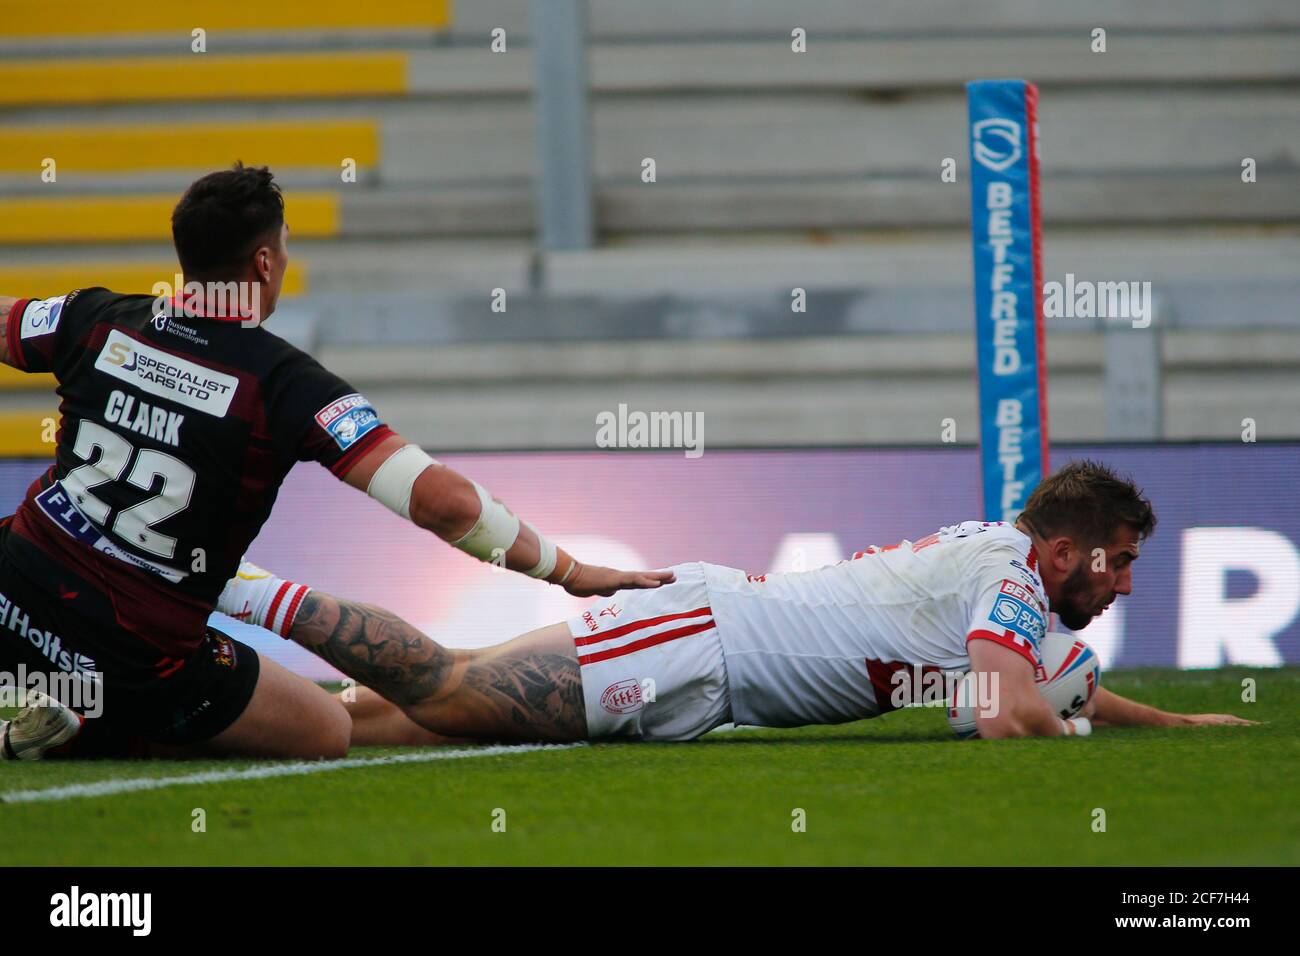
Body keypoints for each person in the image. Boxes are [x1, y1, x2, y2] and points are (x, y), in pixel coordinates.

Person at [0, 163, 670, 762]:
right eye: (285, 247)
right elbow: (448, 505)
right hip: (134, 650)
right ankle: (91, 727)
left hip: (15, 586)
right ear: (265, 263)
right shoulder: (285, 383)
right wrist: (570, 571)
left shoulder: (94, 317)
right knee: (324, 729)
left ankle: (63, 702)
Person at [216, 459, 1256, 749]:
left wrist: (1169, 721)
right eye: (1116, 563)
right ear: (1064, 549)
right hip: (692, 652)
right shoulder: (1012, 579)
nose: (1122, 585)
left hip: (702, 642)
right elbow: (1009, 710)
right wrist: (1065, 736)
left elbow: (1050, 684)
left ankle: (182, 699)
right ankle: (244, 587)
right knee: (443, 688)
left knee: (378, 726)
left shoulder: (1007, 572)